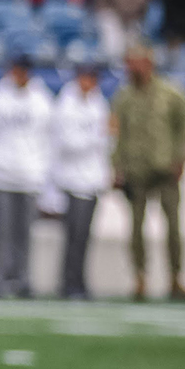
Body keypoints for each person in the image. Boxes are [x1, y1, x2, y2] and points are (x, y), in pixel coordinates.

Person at [111, 44, 185, 302]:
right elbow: (116, 134)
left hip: (165, 168)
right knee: (136, 228)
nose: (130, 68)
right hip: (136, 171)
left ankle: (175, 278)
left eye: (134, 62)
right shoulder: (123, 97)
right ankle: (140, 279)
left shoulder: (171, 93)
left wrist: (181, 158)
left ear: (148, 63)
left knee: (173, 227)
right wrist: (116, 166)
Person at [0, 55, 53, 298]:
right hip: (2, 174)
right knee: (2, 231)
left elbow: (47, 137)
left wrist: (40, 169)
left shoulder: (42, 100)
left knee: (25, 233)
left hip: (30, 175)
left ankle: (22, 279)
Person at [52, 62, 112, 300]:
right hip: (72, 179)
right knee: (73, 235)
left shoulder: (99, 104)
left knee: (84, 236)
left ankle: (79, 280)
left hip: (91, 180)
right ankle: (69, 282)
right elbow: (68, 143)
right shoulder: (66, 105)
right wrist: (98, 136)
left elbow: (106, 145)